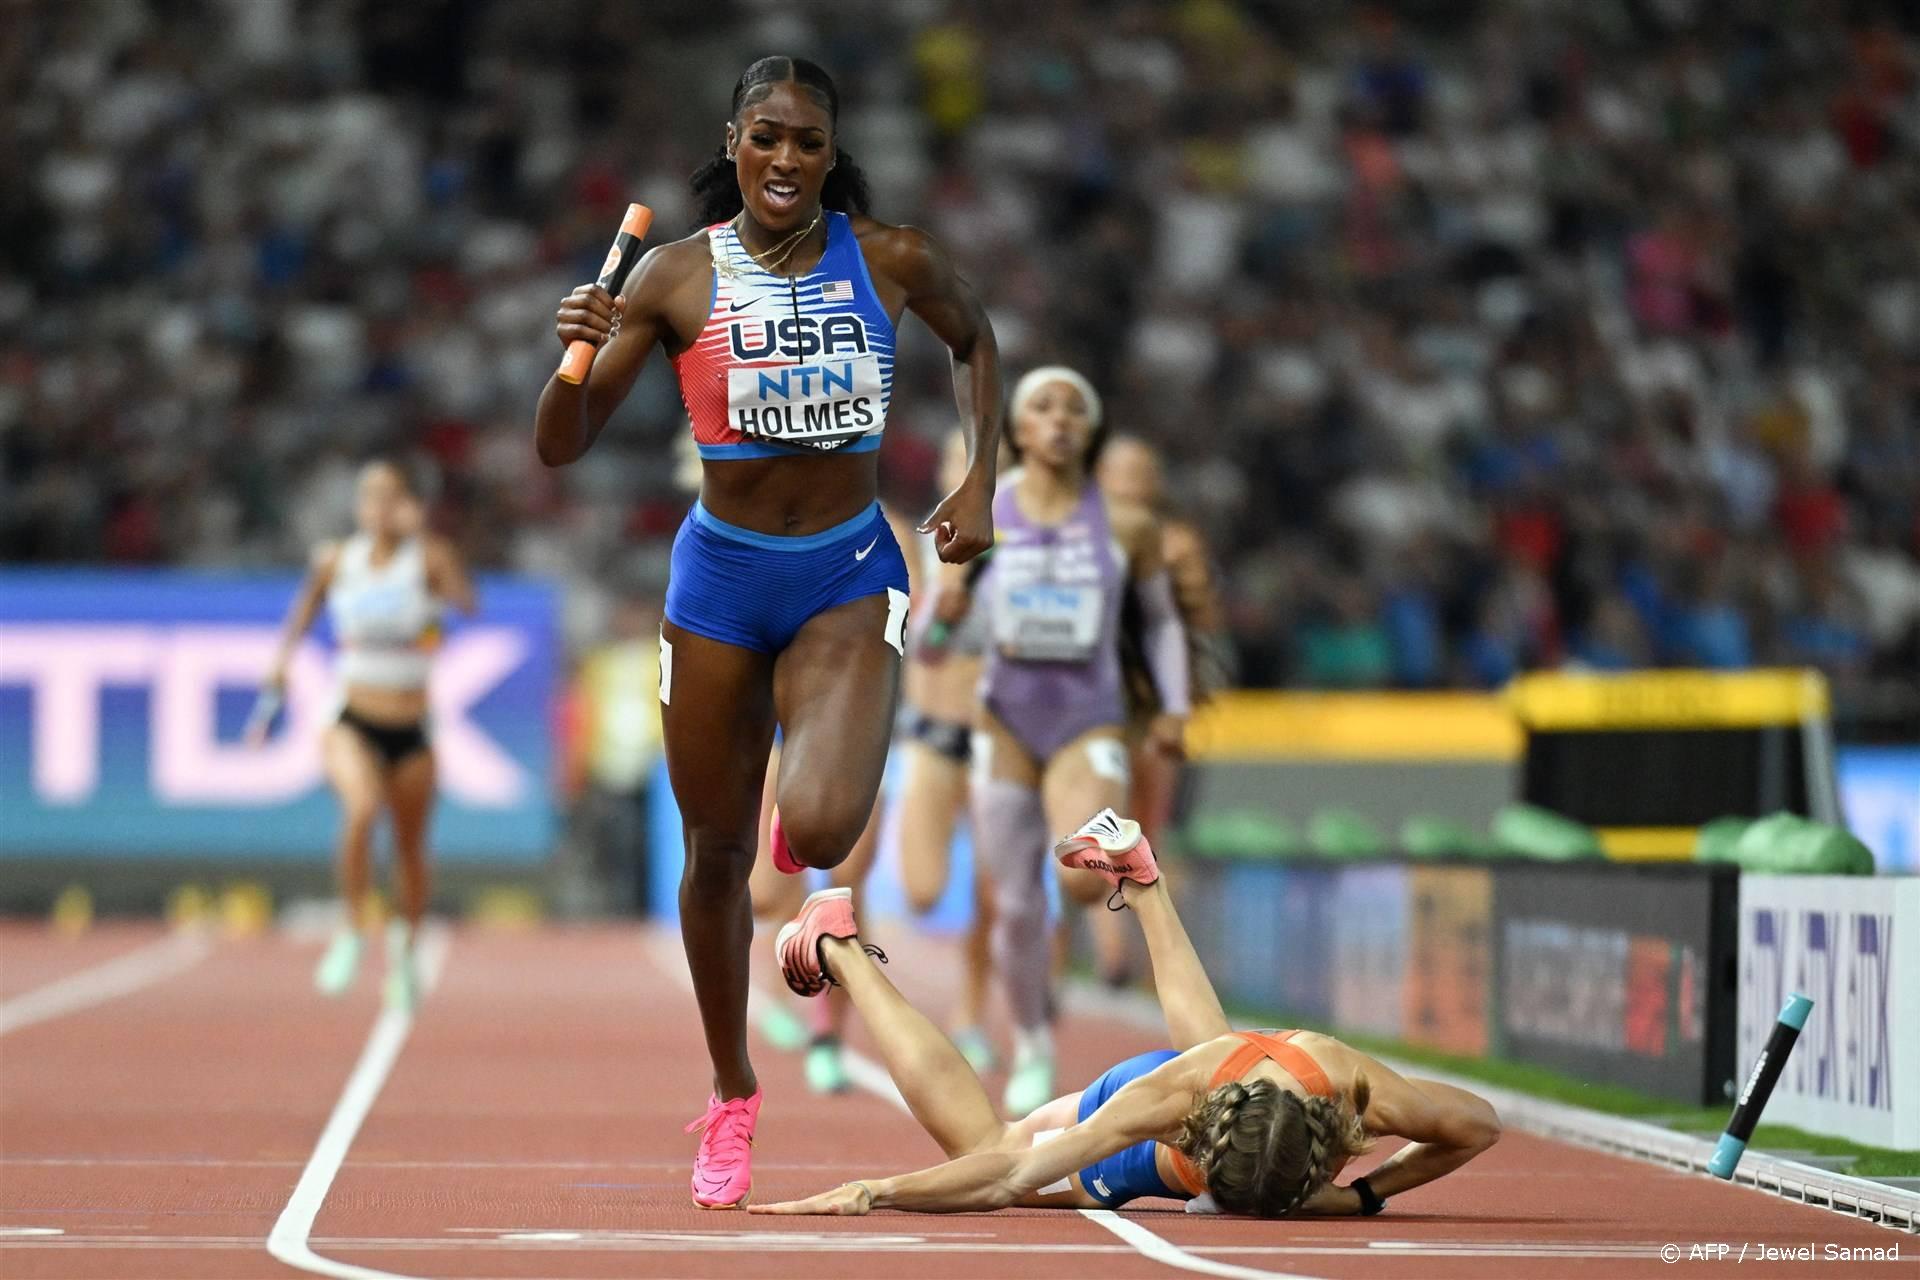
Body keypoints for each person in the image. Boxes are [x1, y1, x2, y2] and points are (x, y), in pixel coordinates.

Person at [534, 55, 999, 1210]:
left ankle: (817, 866)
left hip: (845, 570)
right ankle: (733, 1087)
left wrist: (983, 476)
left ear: (831, 156)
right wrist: (577, 347)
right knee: (715, 857)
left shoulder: (887, 258)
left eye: (807, 142)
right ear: (733, 144)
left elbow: (976, 338)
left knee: (826, 820)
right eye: (766, 138)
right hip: (721, 585)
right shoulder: (674, 275)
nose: (786, 159)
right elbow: (561, 440)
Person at [752, 809, 1502, 1217]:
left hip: (1237, 1067)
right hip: (1158, 1127)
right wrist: (875, 1193)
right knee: (980, 1139)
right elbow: (1006, 1175)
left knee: (1215, 1047)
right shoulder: (1163, 1105)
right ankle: (841, 948)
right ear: (1200, 1137)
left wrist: (1369, 1194)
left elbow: (1477, 1125)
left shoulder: (1357, 1093)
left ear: (1336, 1135)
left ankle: (1143, 882)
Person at [964, 367, 1190, 1118]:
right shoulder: (982, 512)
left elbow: (1159, 622)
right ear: (1018, 428)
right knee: (1019, 906)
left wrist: (1173, 707)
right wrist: (940, 614)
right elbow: (939, 628)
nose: (1059, 420)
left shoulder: (1126, 524)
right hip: (1005, 724)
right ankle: (1032, 1039)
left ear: (1089, 430)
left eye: (1074, 409)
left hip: (1088, 718)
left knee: (1082, 877)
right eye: (1042, 407)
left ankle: (1069, 960)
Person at [251, 461, 475, 1010]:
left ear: (406, 503)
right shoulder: (337, 560)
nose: (379, 507)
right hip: (352, 715)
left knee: (410, 847)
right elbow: (302, 613)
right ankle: (352, 927)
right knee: (361, 809)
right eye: (370, 497)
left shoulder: (427, 556)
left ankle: (404, 952)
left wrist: (425, 543)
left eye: (390, 497)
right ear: (358, 506)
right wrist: (279, 667)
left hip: (412, 723)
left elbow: (466, 606)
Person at [896, 428, 1011, 1074]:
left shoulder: (1018, 547)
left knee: (991, 892)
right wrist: (945, 607)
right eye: (954, 461)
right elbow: (924, 648)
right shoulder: (917, 545)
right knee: (921, 890)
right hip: (933, 737)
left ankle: (969, 1013)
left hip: (995, 738)